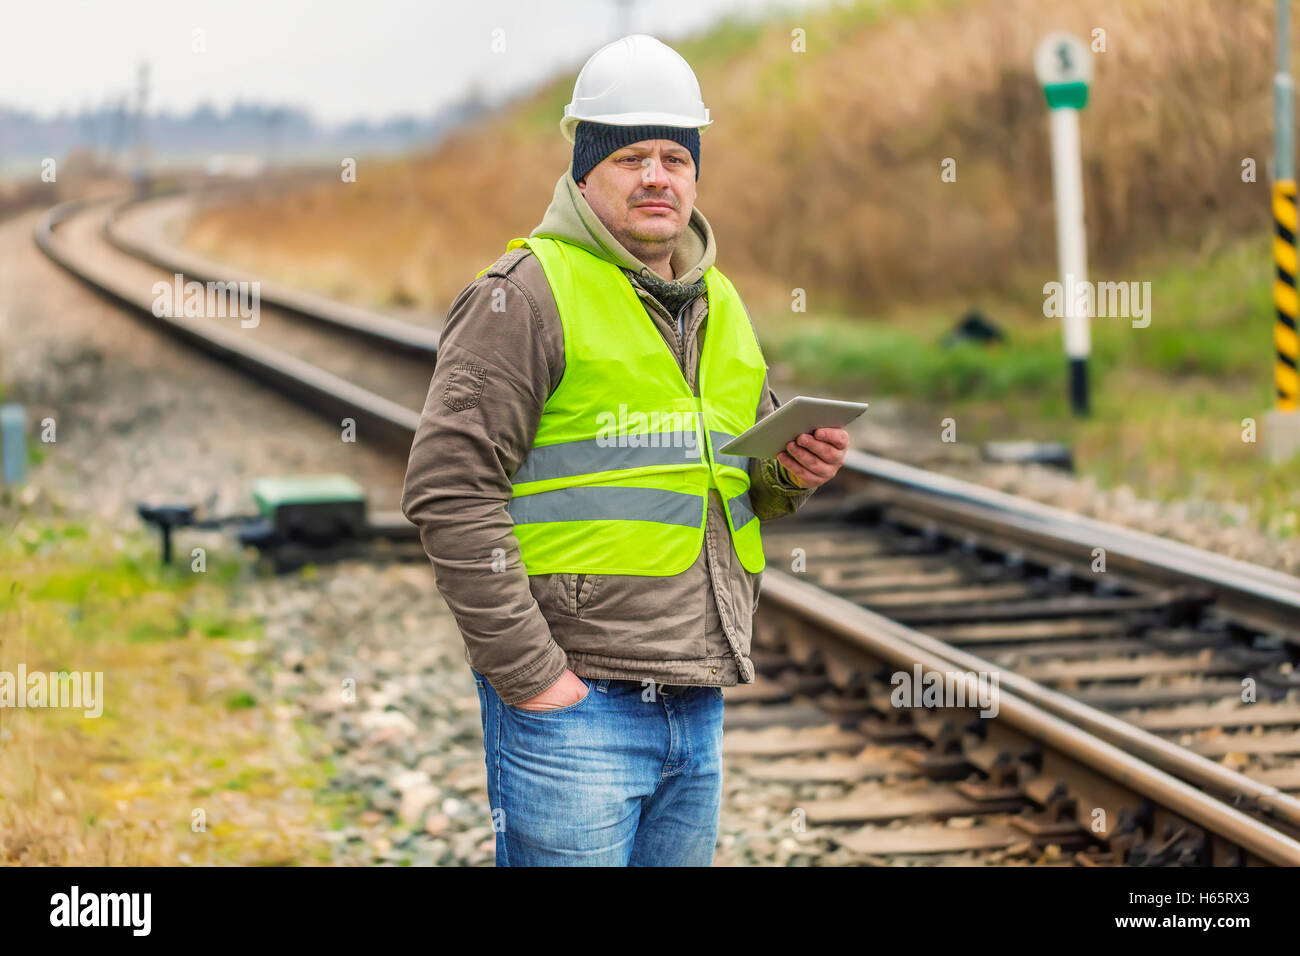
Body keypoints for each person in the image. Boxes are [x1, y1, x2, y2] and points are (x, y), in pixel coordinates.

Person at [401, 33, 848, 866]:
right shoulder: (525, 296)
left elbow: (728, 477)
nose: (657, 176)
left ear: (695, 177)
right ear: (583, 173)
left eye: (676, 158)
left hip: (695, 694)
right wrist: (533, 678)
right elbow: (448, 492)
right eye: (631, 157)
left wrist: (789, 473)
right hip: (579, 703)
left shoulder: (716, 300)